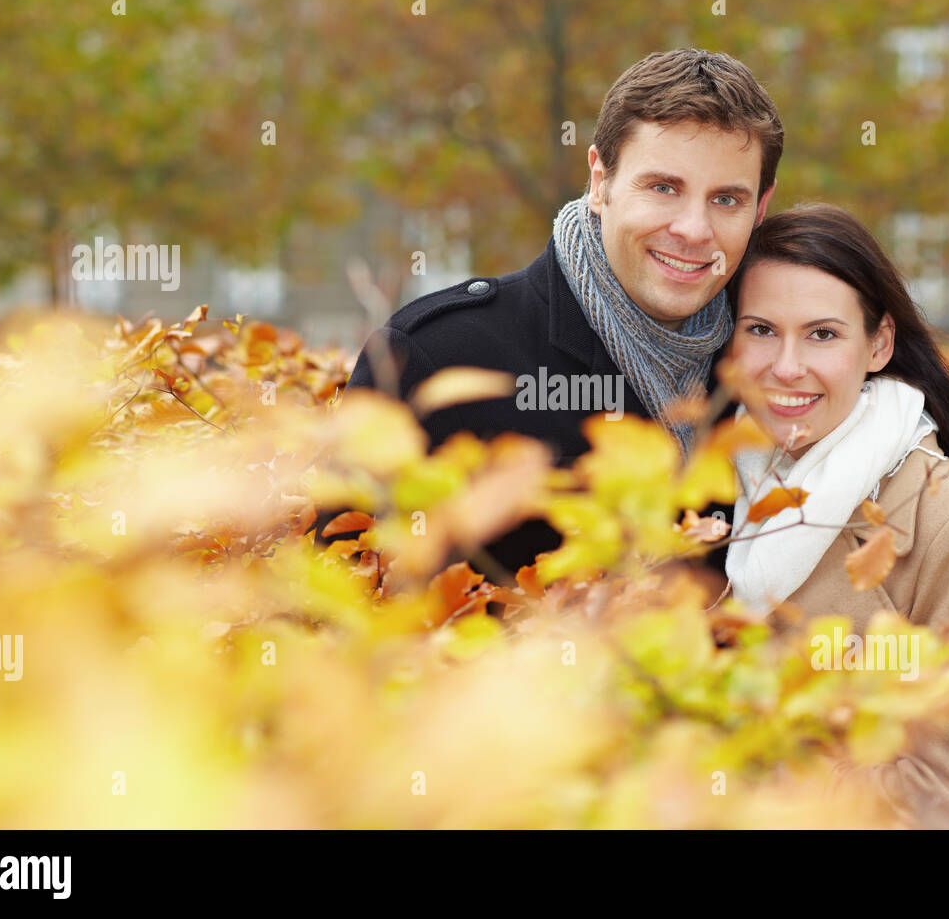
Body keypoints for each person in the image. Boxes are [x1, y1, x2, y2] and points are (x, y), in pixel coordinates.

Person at [321, 49, 782, 578]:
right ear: (600, 181)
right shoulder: (435, 355)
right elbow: (337, 596)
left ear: (761, 209)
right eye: (663, 188)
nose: (694, 230)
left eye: (727, 200)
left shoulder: (779, 367)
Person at [721, 203, 949, 827]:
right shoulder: (709, 483)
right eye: (760, 329)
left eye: (822, 334)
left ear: (879, 343)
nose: (786, 367)